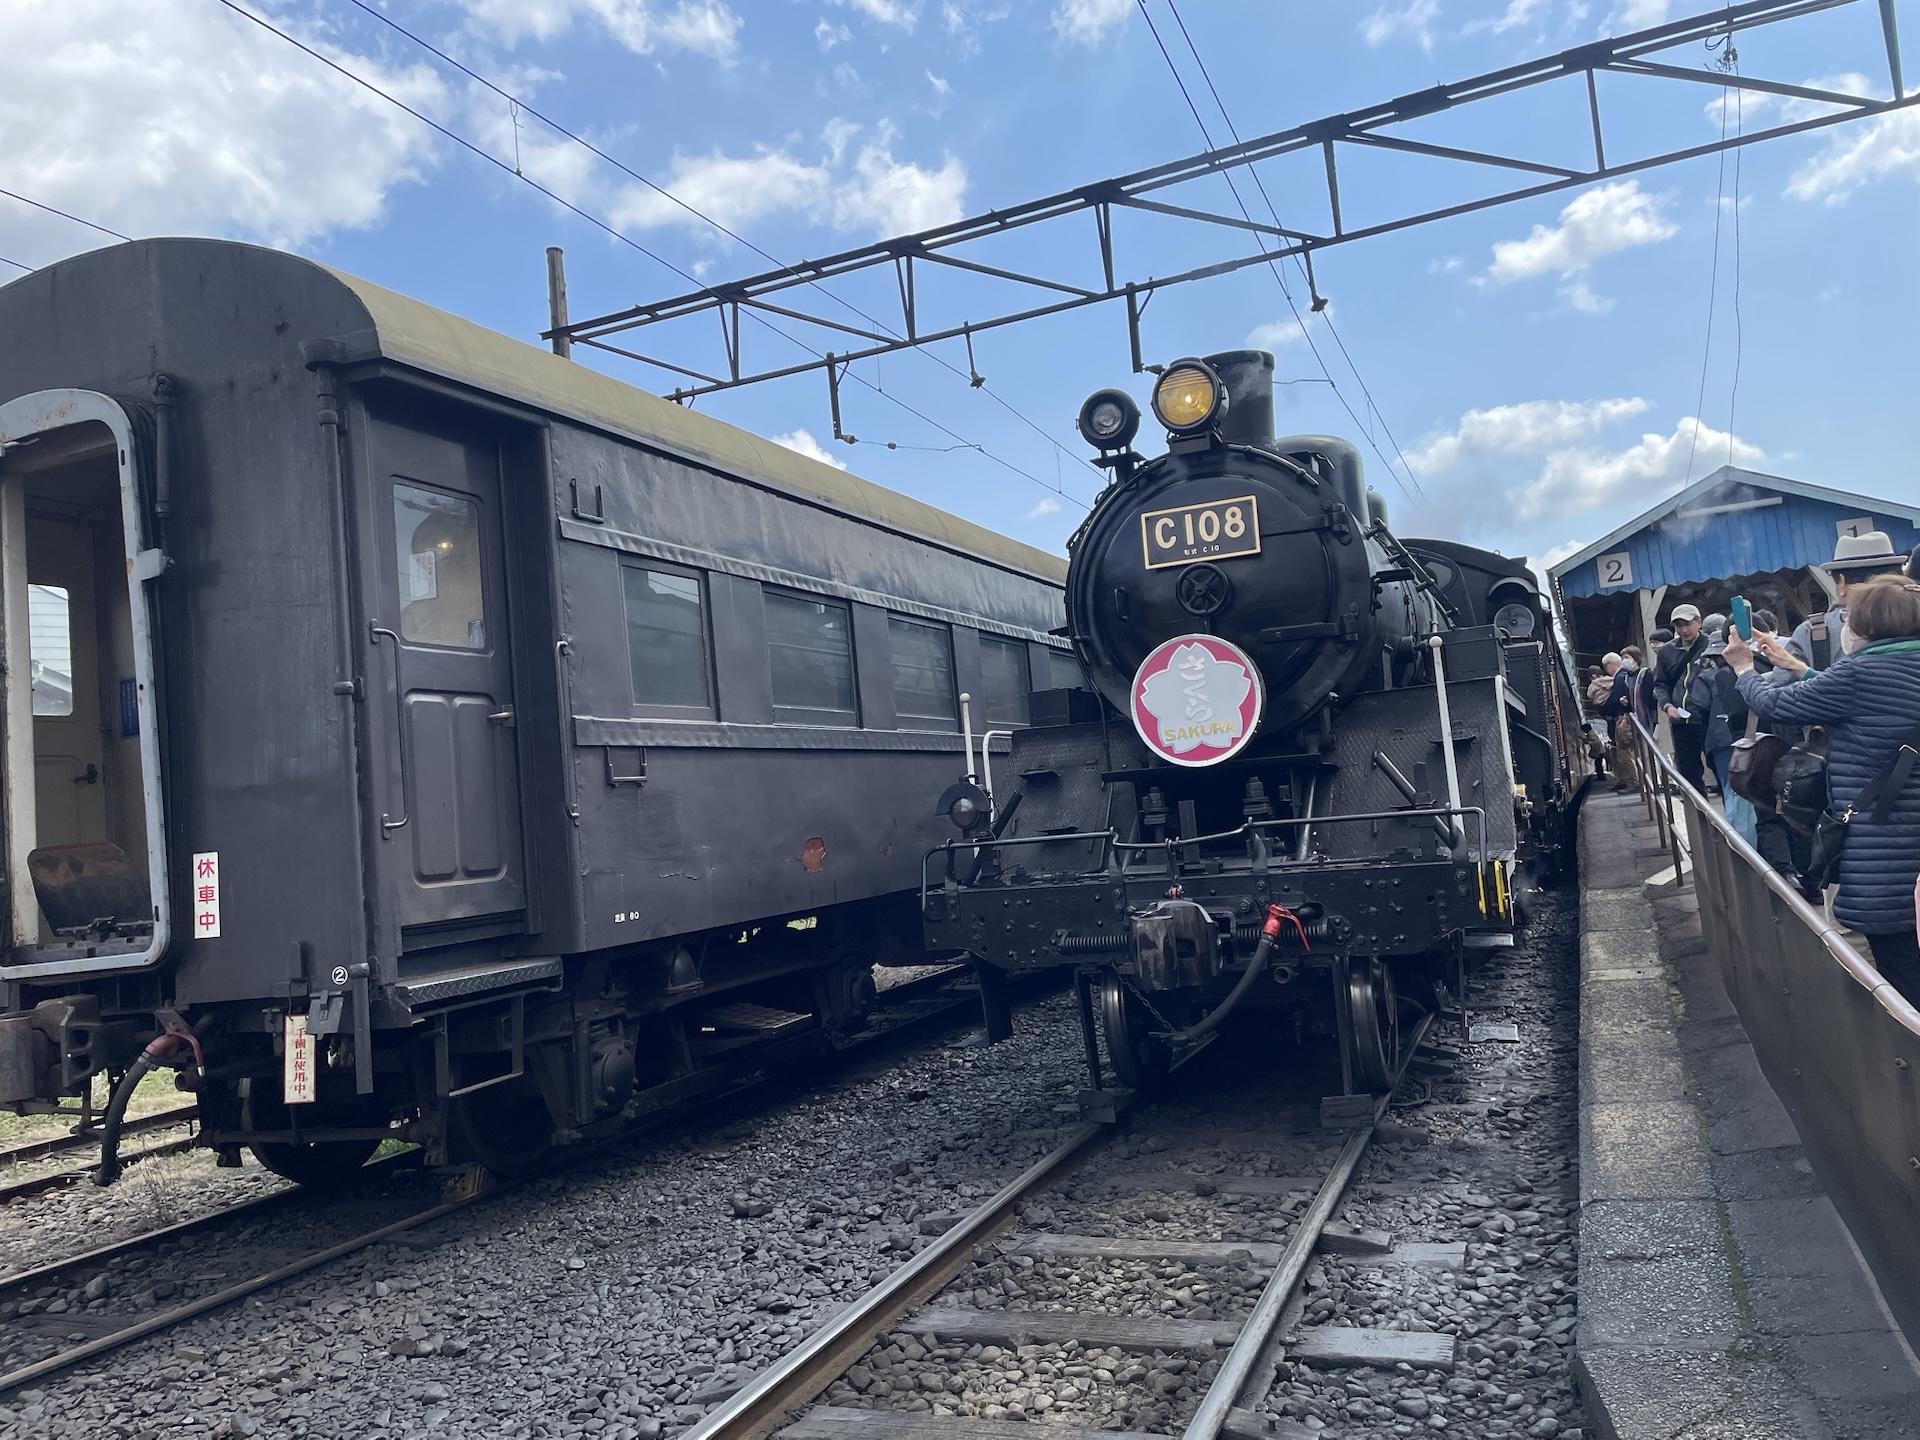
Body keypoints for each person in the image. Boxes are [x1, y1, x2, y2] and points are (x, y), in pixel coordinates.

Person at [1725, 575, 1920, 1005]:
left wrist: (1743, 668)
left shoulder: (1856, 673)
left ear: (1869, 626)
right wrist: (1794, 664)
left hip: (1885, 848)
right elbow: (1865, 700)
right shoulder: (1869, 674)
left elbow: (1774, 704)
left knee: (1903, 971)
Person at [1781, 531, 1912, 674]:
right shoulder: (1913, 622)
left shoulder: (1812, 633)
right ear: (1899, 577)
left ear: (1841, 583)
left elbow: (1778, 692)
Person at [1692, 624, 1755, 843]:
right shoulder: (1750, 672)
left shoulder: (1707, 676)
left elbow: (1698, 705)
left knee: (1731, 790)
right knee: (1752, 791)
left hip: (1719, 741)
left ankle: (1739, 843)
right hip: (1751, 737)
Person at [1653, 604, 1710, 793]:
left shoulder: (1710, 646)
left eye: (1687, 624)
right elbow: (1660, 684)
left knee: (1719, 766)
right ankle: (1700, 819)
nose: (1683, 630)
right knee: (1688, 772)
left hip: (1708, 718)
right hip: (1681, 721)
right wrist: (1667, 706)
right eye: (1678, 625)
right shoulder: (1667, 651)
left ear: (1698, 622)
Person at [1597, 647, 1641, 791]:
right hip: (1624, 718)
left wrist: (1605, 710)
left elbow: (1615, 699)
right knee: (1625, 752)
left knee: (1624, 753)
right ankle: (1629, 781)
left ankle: (1633, 782)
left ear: (1610, 664)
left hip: (1623, 718)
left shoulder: (1621, 676)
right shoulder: (1623, 675)